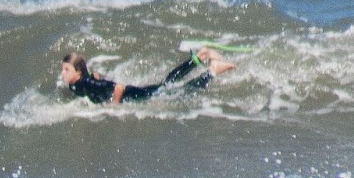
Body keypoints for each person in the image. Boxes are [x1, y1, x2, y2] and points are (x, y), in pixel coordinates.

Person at [59, 47, 235, 104]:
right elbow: (95, 77)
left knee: (182, 92)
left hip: (136, 95)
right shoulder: (78, 82)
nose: (63, 73)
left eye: (66, 69)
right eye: (62, 69)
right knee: (167, 83)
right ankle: (199, 58)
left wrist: (113, 106)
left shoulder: (84, 83)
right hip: (135, 92)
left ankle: (213, 71)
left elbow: (118, 88)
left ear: (78, 72)